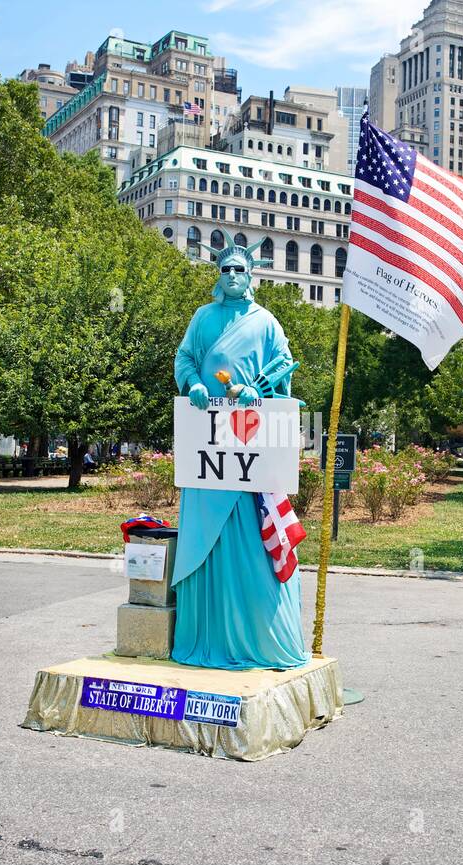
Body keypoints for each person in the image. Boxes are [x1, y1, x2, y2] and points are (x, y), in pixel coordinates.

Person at [171, 232, 307, 671]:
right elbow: (185, 358)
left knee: (253, 543)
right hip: (206, 447)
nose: (232, 275)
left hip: (250, 447)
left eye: (239, 269)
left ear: (251, 275)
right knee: (203, 543)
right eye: (225, 269)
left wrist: (257, 393)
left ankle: (261, 639)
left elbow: (283, 375)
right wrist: (191, 383)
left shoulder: (267, 322)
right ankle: (205, 634)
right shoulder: (202, 316)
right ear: (219, 275)